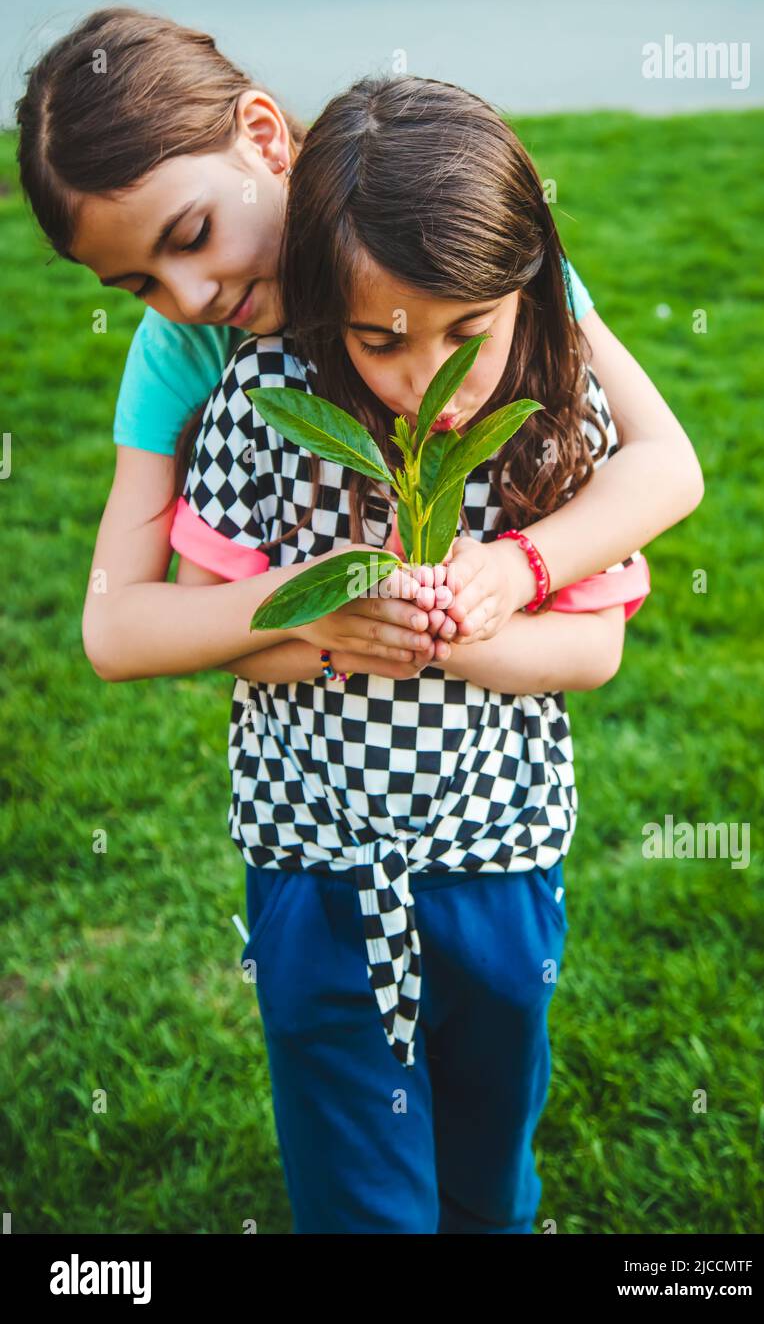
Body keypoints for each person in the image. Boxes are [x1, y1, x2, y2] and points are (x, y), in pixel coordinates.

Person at [168, 72, 700, 1233]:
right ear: (318, 306)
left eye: (468, 333)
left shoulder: (547, 414)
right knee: (359, 1182)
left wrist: (472, 627)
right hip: (319, 864)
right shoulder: (263, 409)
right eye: (380, 340)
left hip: (497, 858)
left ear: (525, 293)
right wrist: (317, 614)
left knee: (485, 1147)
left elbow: (592, 653)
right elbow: (224, 636)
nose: (429, 382)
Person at [15, 6, 703, 691]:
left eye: (192, 234)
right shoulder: (180, 348)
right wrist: (311, 609)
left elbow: (667, 465)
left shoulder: (444, 254)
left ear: (262, 138)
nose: (190, 299)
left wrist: (519, 569)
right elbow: (114, 629)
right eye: (140, 283)